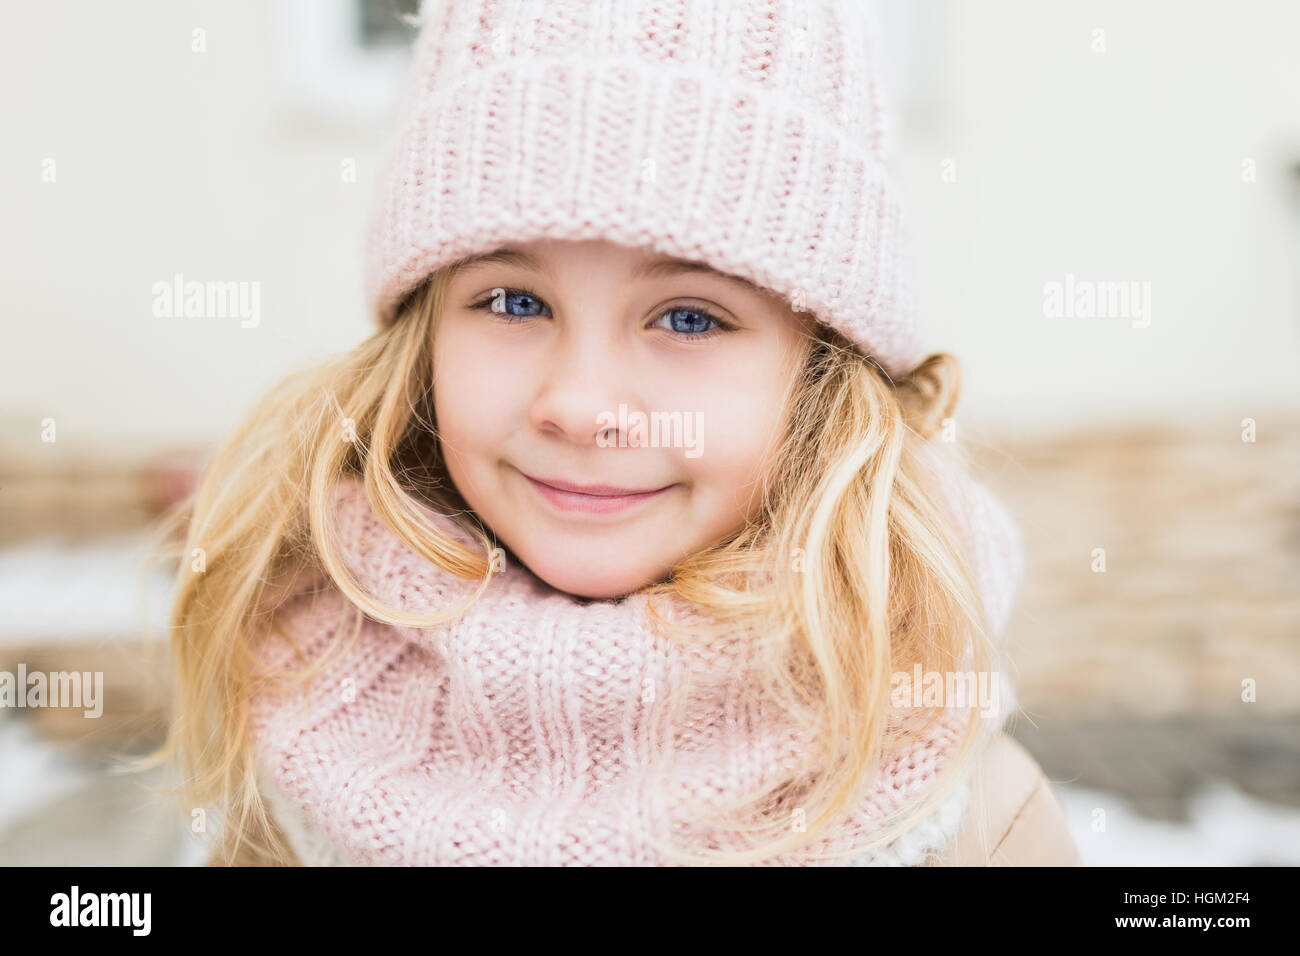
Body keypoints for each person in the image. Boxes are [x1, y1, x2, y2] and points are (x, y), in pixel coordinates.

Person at [159, 0, 1079, 866]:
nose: (581, 404)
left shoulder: (961, 819)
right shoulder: (305, 726)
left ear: (823, 375)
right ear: (424, 335)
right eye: (514, 301)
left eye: (688, 318)